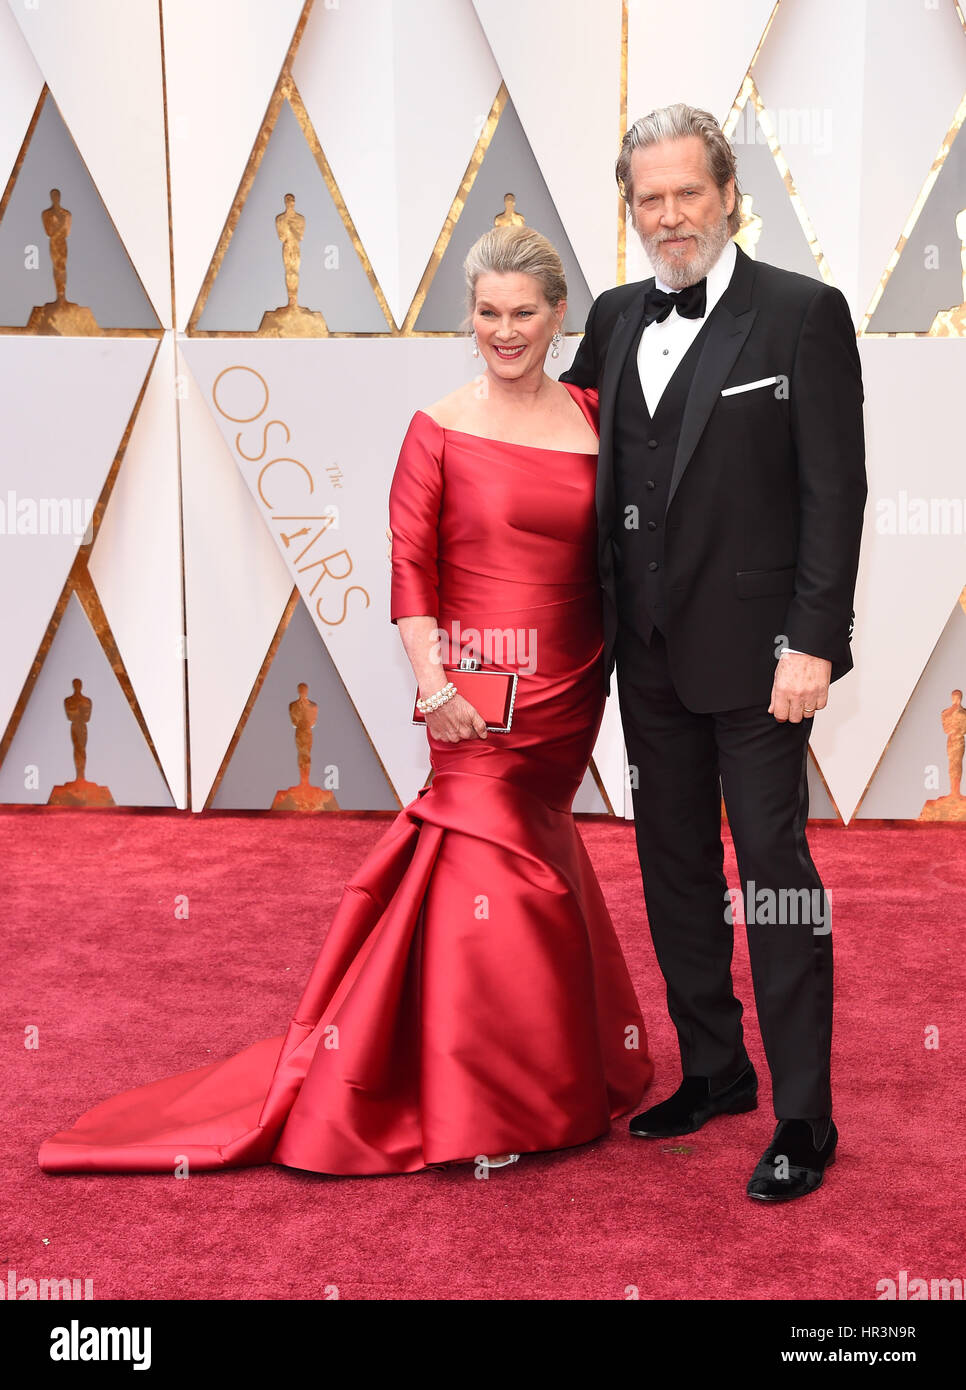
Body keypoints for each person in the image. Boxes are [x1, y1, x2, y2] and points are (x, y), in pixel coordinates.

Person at [38, 225, 653, 1178]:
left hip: (569, 689)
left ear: (558, 315)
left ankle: (524, 1070)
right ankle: (487, 1097)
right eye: (487, 313)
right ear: (470, 317)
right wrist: (433, 684)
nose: (505, 330)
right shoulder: (438, 427)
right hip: (475, 691)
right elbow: (410, 572)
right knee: (492, 872)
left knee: (539, 853)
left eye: (523, 313)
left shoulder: (595, 415)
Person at [561, 103, 867, 1202]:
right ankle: (715, 1069)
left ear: (729, 192)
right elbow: (581, 470)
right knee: (673, 868)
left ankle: (804, 1116)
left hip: (764, 658)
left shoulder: (801, 314)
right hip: (643, 654)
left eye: (689, 191)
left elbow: (837, 491)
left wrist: (815, 643)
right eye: (650, 197)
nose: (670, 214)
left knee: (774, 877)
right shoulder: (608, 318)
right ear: (631, 208)